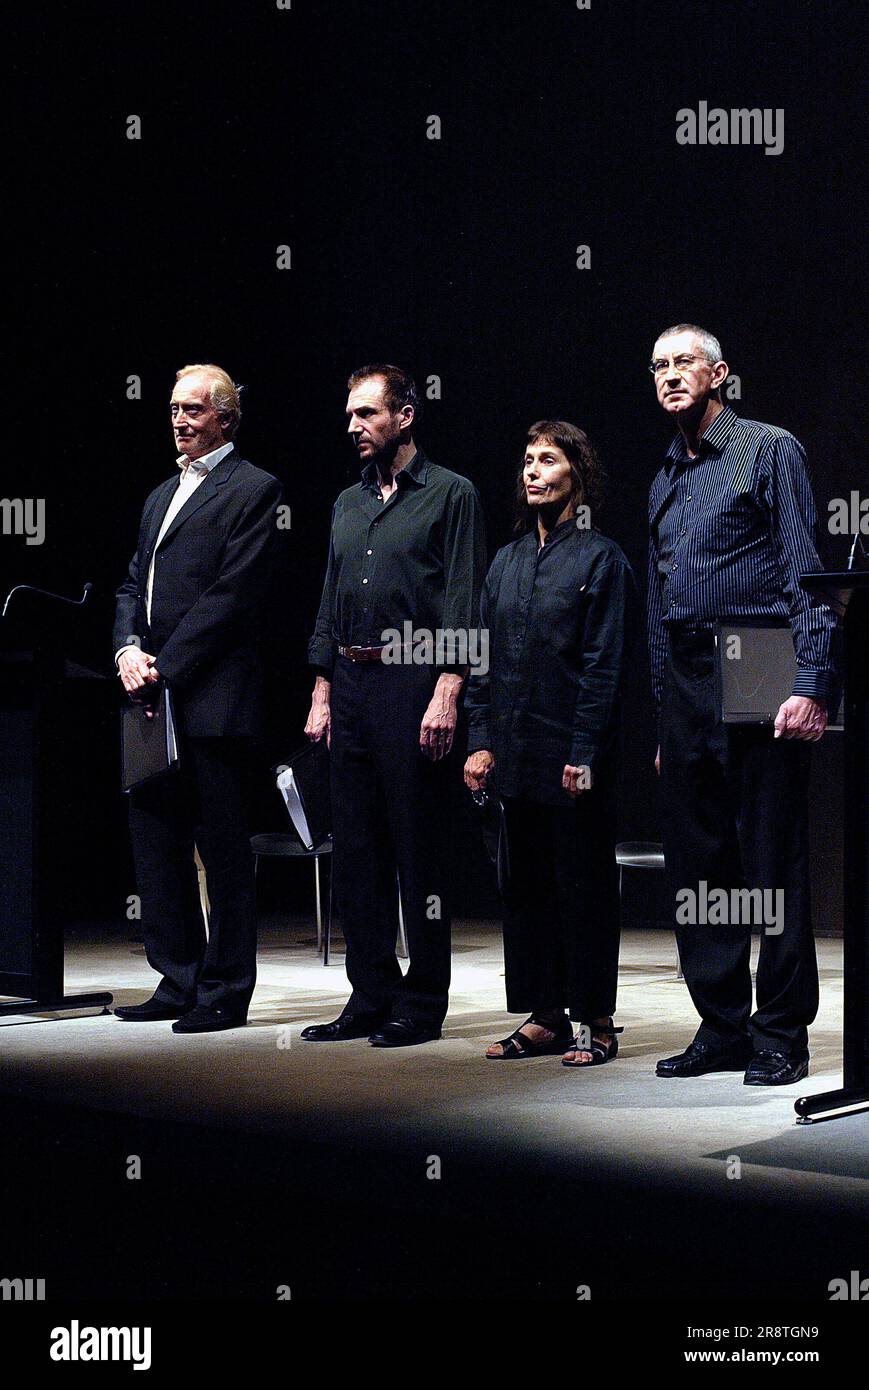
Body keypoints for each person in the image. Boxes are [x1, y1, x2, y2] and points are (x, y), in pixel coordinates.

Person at [647, 324, 836, 1084]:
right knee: (701, 868)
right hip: (688, 676)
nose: (668, 376)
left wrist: (810, 682)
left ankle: (778, 1034)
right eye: (656, 367)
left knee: (768, 859)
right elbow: (658, 602)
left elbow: (802, 571)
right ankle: (719, 1026)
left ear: (719, 372)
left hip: (757, 657)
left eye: (682, 362)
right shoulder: (662, 478)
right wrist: (664, 711)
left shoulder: (767, 448)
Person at [303, 364, 486, 1047]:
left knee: (418, 850)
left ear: (404, 416)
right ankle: (368, 994)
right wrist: (320, 689)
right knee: (356, 848)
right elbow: (329, 596)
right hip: (348, 684)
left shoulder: (450, 494)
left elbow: (464, 598)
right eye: (349, 416)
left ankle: (420, 1002)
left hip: (412, 683)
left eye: (365, 414)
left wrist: (447, 689)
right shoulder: (347, 504)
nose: (352, 427)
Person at [113, 363, 284, 1033]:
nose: (179, 420)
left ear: (226, 418)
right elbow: (131, 583)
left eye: (193, 409)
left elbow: (232, 597)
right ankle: (177, 976)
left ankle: (224, 988)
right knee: (156, 840)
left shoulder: (256, 488)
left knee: (222, 848)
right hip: (151, 697)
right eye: (174, 408)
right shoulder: (160, 494)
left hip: (212, 697)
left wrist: (165, 666)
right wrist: (127, 650)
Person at [464, 421, 634, 1067]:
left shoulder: (600, 559)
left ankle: (595, 1020)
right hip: (514, 753)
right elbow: (481, 661)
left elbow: (603, 667)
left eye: (548, 460)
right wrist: (479, 743)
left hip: (571, 757)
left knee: (582, 888)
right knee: (525, 889)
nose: (532, 471)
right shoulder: (505, 562)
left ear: (576, 474)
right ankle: (544, 1017)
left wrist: (584, 753)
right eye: (527, 460)